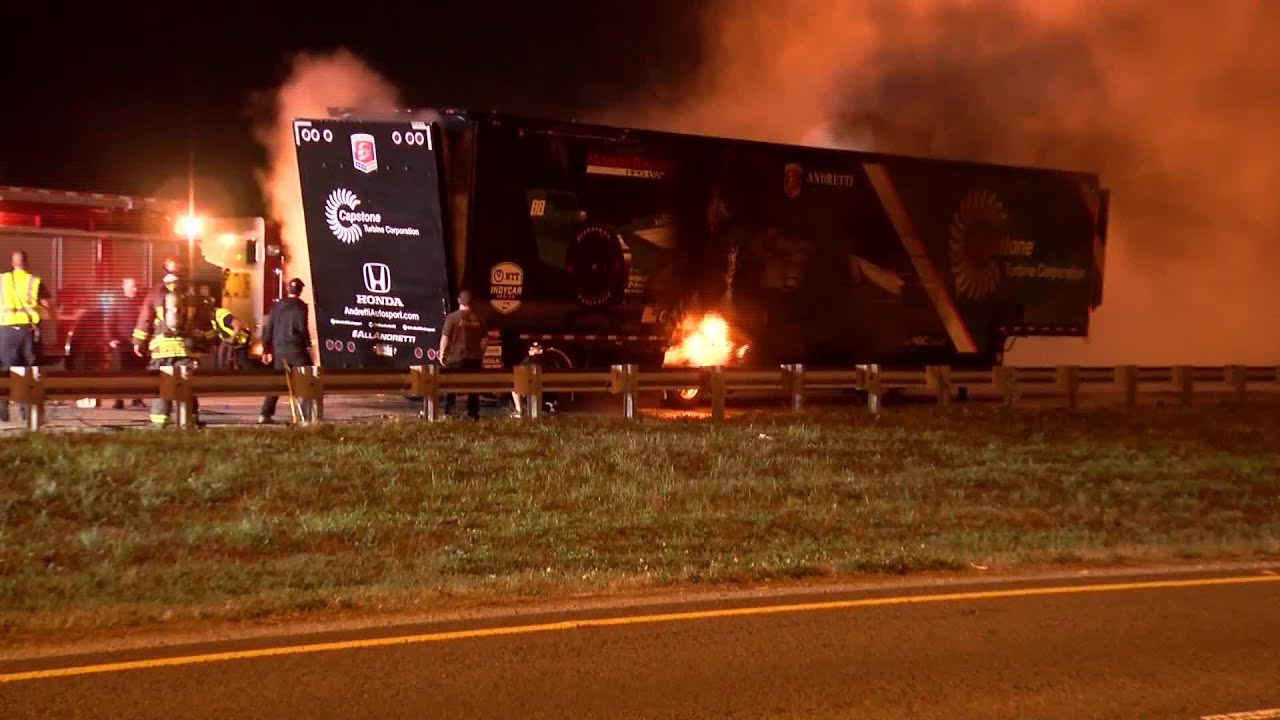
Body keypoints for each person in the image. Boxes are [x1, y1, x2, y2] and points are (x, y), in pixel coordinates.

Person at [132, 272, 202, 427]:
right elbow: (200, 324)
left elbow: (145, 319)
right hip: (185, 350)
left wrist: (138, 342)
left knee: (162, 389)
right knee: (186, 387)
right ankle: (189, 421)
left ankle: (159, 423)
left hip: (161, 351)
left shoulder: (154, 295)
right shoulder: (191, 296)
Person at [0, 250, 51, 423]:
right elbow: (47, 305)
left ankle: (3, 411)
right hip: (28, 331)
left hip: (5, 330)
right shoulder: (34, 281)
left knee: (6, 370)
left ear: (12, 263)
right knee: (30, 370)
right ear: (27, 263)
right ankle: (26, 412)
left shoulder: (2, 280)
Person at [258, 278, 313, 425]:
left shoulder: (276, 306)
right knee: (307, 380)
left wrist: (266, 349)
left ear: (288, 289)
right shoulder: (301, 307)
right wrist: (308, 345)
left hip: (280, 351)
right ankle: (305, 416)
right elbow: (303, 328)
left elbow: (269, 328)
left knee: (278, 382)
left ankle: (265, 414)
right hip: (296, 350)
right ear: (300, 291)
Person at [438, 289, 486, 420]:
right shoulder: (480, 319)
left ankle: (450, 411)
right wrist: (481, 353)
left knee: (451, 386)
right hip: (474, 359)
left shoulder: (452, 317)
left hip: (455, 358)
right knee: (474, 387)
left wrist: (442, 353)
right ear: (472, 303)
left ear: (459, 301)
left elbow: (445, 337)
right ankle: (473, 413)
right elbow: (484, 340)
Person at [210, 306, 250, 370]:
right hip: (232, 340)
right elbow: (218, 332)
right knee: (219, 356)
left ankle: (251, 376)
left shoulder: (222, 315)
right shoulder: (214, 319)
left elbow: (237, 325)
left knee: (241, 360)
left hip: (241, 338)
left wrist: (231, 339)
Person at [510, 341, 543, 418]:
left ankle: (519, 410)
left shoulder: (528, 360)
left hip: (530, 386)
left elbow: (520, 372)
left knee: (513, 386)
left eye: (532, 349)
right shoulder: (545, 360)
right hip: (543, 387)